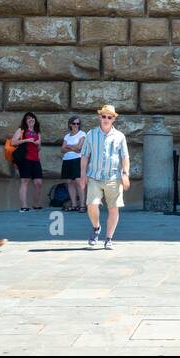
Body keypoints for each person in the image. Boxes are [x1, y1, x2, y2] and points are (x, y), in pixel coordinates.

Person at [79, 103, 131, 250]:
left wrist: (125, 174)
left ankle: (109, 238)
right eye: (104, 116)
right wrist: (82, 175)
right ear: (99, 117)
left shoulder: (120, 136)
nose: (106, 119)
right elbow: (84, 156)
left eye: (109, 117)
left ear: (114, 119)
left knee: (114, 208)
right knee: (92, 205)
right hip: (94, 176)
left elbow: (125, 157)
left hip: (114, 177)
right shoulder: (91, 134)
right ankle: (96, 228)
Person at [11, 112, 43, 212]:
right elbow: (13, 142)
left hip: (35, 159)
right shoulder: (21, 130)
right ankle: (24, 206)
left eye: (33, 118)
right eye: (29, 118)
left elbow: (39, 147)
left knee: (38, 182)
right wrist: (26, 140)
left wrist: (38, 144)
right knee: (25, 181)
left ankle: (36, 204)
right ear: (25, 120)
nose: (31, 120)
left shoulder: (37, 132)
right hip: (25, 159)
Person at [61, 116, 86, 212]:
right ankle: (74, 204)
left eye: (78, 123)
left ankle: (82, 205)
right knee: (70, 182)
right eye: (74, 123)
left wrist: (68, 146)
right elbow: (62, 149)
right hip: (67, 160)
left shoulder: (82, 134)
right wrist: (73, 147)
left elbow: (79, 148)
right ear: (70, 124)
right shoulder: (67, 136)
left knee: (78, 181)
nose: (76, 125)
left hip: (77, 159)